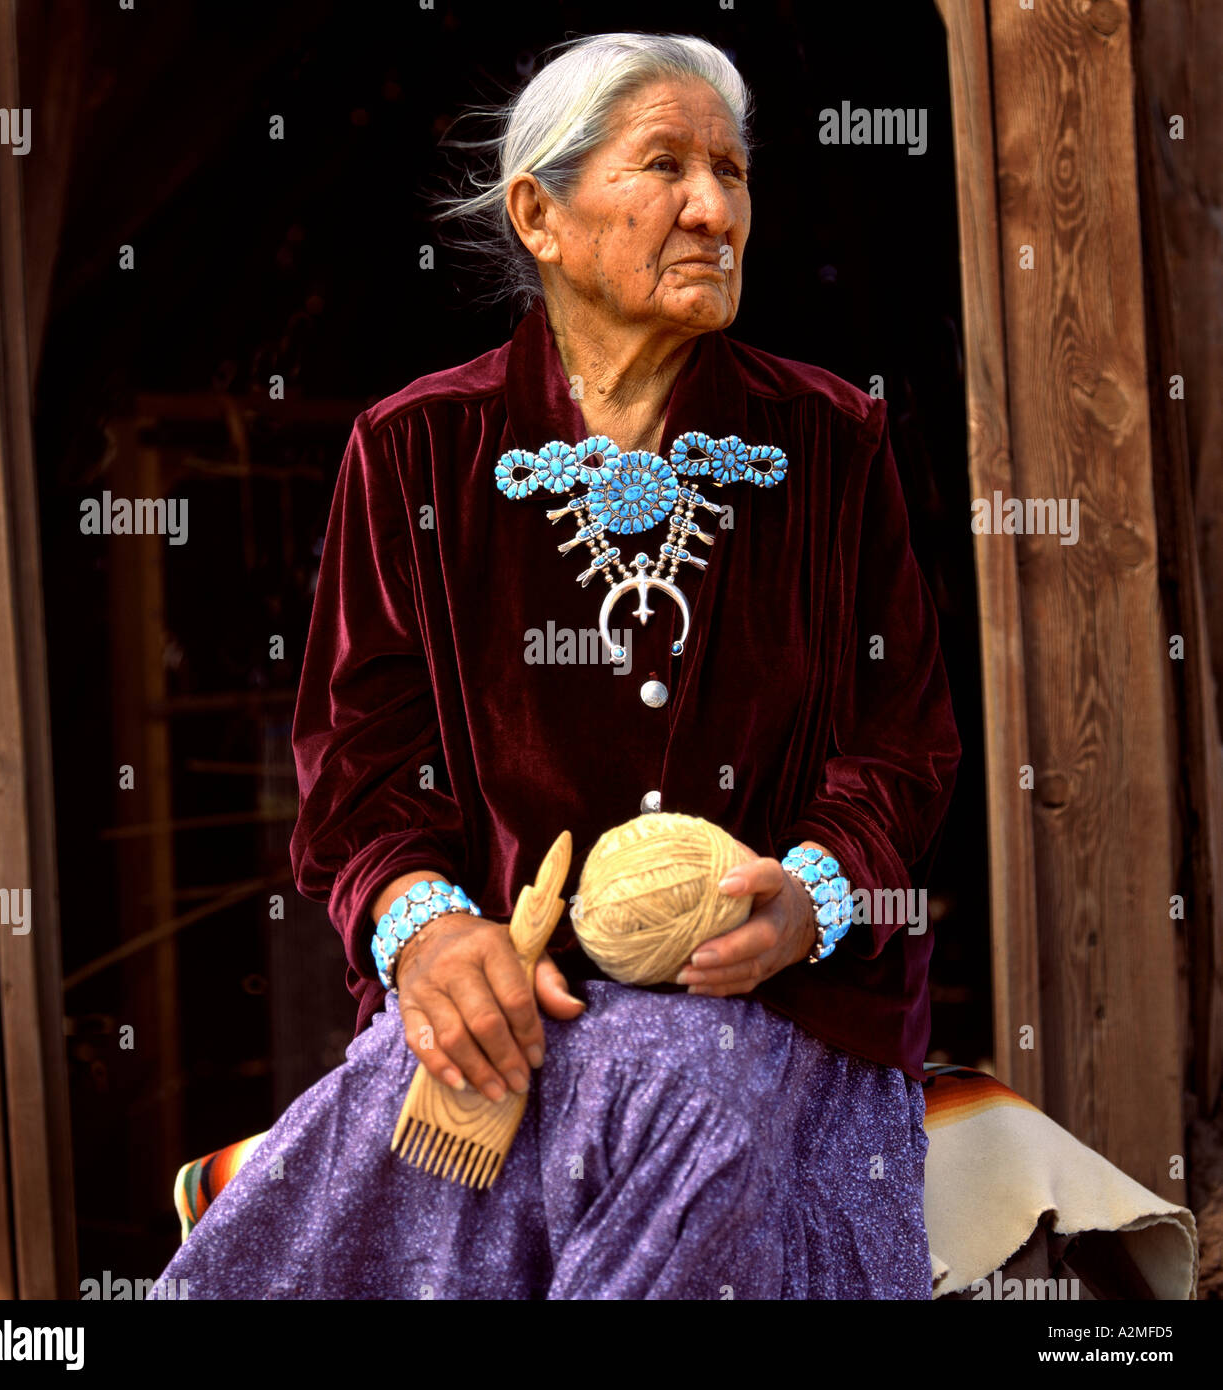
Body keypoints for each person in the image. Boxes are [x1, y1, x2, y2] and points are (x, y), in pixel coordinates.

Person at [151, 30, 960, 1300]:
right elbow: (360, 767)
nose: (714, 208)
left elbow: (901, 745)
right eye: (666, 166)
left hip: (778, 1010)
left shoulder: (830, 440)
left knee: (687, 1104)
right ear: (540, 212)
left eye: (733, 173)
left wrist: (811, 893)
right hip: (511, 1004)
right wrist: (426, 932)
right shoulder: (418, 450)